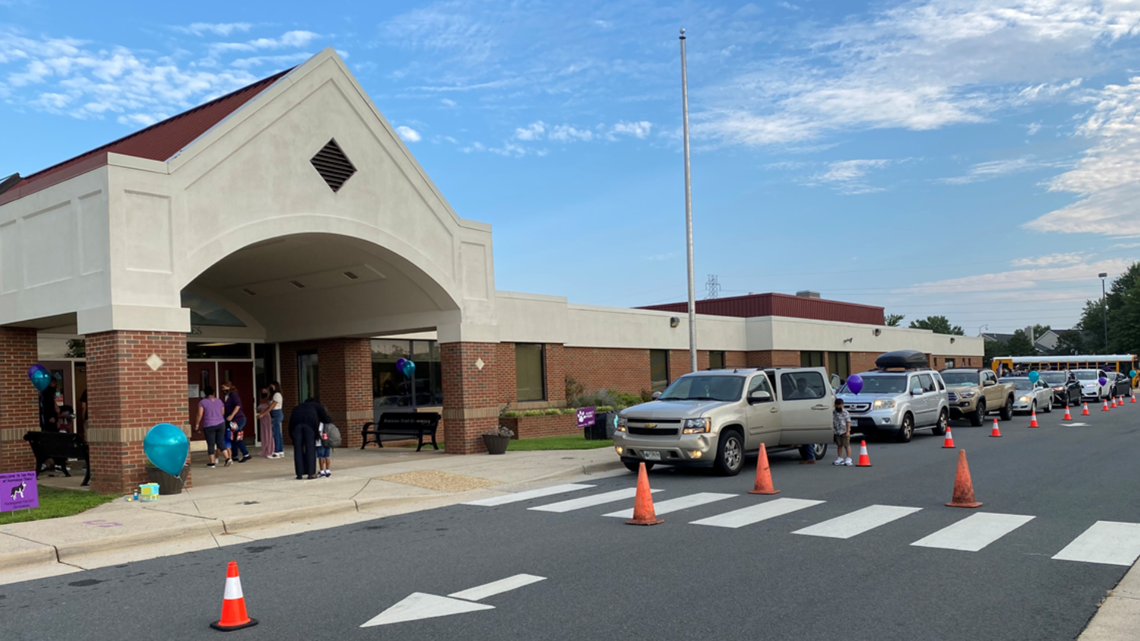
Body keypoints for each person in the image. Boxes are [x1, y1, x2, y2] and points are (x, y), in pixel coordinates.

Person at [289, 397, 332, 480]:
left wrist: (292, 437)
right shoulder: (317, 406)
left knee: (298, 450)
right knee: (310, 449)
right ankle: (311, 473)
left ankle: (299, 474)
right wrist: (329, 419)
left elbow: (291, 422)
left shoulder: (298, 407)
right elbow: (325, 419)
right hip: (309, 426)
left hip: (295, 427)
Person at [194, 386, 231, 468]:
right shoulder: (219, 401)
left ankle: (212, 462)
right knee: (220, 441)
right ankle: (227, 458)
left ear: (205, 393)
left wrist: (196, 424)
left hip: (209, 425)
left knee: (211, 444)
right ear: (213, 392)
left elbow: (199, 414)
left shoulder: (202, 402)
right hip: (221, 423)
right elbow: (222, 412)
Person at [221, 381, 251, 463]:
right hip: (231, 420)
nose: (223, 389)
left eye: (224, 387)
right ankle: (235, 455)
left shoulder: (234, 395)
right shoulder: (227, 396)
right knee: (232, 436)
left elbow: (238, 405)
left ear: (228, 387)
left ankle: (246, 454)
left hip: (237, 419)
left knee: (237, 436)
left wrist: (232, 415)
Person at [833, 398, 853, 466]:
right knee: (839, 445)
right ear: (835, 405)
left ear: (843, 405)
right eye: (837, 405)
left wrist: (848, 431)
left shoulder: (845, 413)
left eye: (840, 405)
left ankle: (849, 458)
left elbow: (848, 422)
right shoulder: (833, 413)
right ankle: (840, 458)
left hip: (844, 431)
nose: (839, 407)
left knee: (846, 445)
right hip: (837, 431)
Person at [256, 388, 275, 458]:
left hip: (267, 417)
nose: (263, 392)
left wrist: (262, 413)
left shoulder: (269, 400)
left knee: (268, 433)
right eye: (262, 391)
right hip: (262, 418)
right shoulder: (260, 400)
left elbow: (270, 408)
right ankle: (264, 449)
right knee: (263, 433)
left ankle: (270, 450)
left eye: (265, 391)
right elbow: (258, 409)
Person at [268, 381, 285, 459]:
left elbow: (272, 406)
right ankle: (280, 450)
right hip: (275, 413)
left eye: (272, 386)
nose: (271, 388)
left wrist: (263, 413)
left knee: (276, 433)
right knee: (278, 432)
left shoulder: (277, 394)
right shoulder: (273, 395)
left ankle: (276, 451)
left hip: (276, 413)